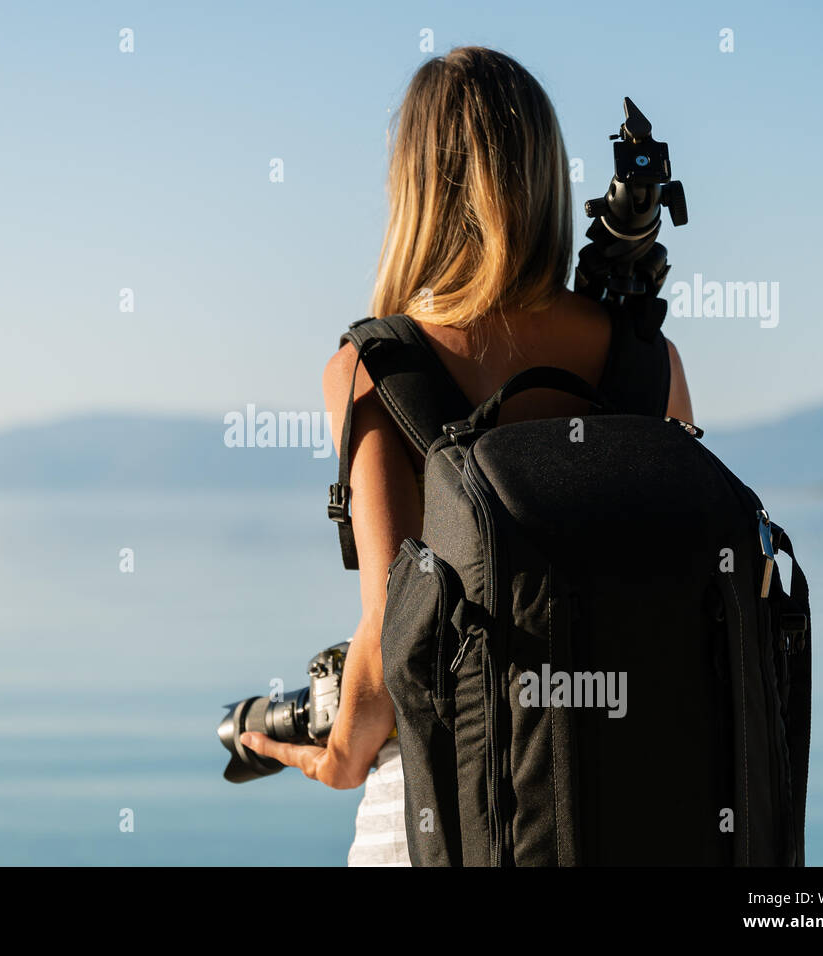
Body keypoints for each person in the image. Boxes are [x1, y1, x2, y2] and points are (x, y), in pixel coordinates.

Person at [240, 46, 694, 866]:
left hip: (437, 820)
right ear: (547, 181)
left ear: (412, 189)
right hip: (631, 813)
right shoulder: (647, 361)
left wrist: (336, 754)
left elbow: (391, 632)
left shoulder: (377, 369)